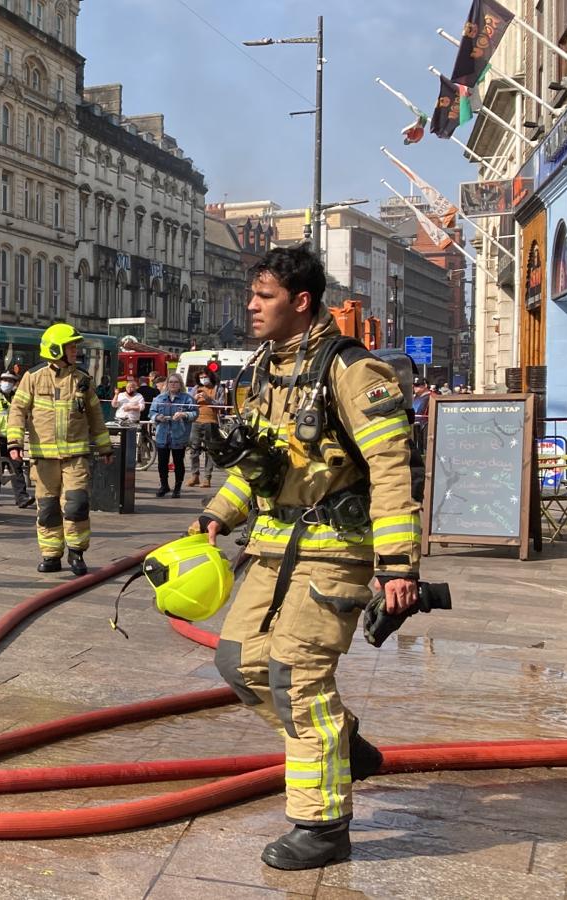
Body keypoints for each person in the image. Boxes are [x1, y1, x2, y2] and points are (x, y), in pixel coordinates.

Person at [192, 246, 419, 870]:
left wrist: (398, 566)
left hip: (335, 554)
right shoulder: (268, 371)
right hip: (270, 549)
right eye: (252, 294)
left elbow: (392, 469)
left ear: (301, 302)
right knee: (239, 662)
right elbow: (264, 465)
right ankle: (342, 744)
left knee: (299, 678)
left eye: (263, 296)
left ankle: (321, 827)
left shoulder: (352, 371)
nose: (250, 305)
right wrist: (219, 512)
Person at [6, 324, 113, 576]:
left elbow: (96, 417)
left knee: (76, 505)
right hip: (44, 459)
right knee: (47, 508)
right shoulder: (32, 377)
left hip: (75, 458)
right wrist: (14, 443)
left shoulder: (83, 380)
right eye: (71, 347)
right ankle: (51, 555)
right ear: (56, 350)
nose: (76, 351)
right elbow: (17, 412)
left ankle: (76, 552)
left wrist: (105, 447)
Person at [0, 371, 32, 508]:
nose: (7, 382)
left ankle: (22, 498)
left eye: (10, 380)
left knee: (16, 466)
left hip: (12, 439)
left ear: (15, 383)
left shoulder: (17, 398)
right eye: (4, 380)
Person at [150, 373, 194, 498]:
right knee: (162, 462)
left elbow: (195, 413)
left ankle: (177, 487)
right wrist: (157, 417)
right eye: (171, 382)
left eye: (176, 382)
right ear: (167, 384)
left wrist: (184, 415)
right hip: (162, 435)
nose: (173, 384)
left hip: (179, 435)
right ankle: (164, 485)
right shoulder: (160, 398)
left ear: (180, 384)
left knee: (178, 462)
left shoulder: (187, 399)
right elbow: (151, 412)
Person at [187, 371, 221, 487]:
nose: (203, 379)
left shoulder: (218, 388)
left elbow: (222, 404)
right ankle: (195, 475)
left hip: (211, 422)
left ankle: (207, 477)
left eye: (205, 376)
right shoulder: (196, 388)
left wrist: (208, 399)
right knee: (194, 449)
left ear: (210, 376)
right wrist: (194, 399)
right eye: (201, 377)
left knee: (210, 450)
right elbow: (188, 404)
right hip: (196, 421)